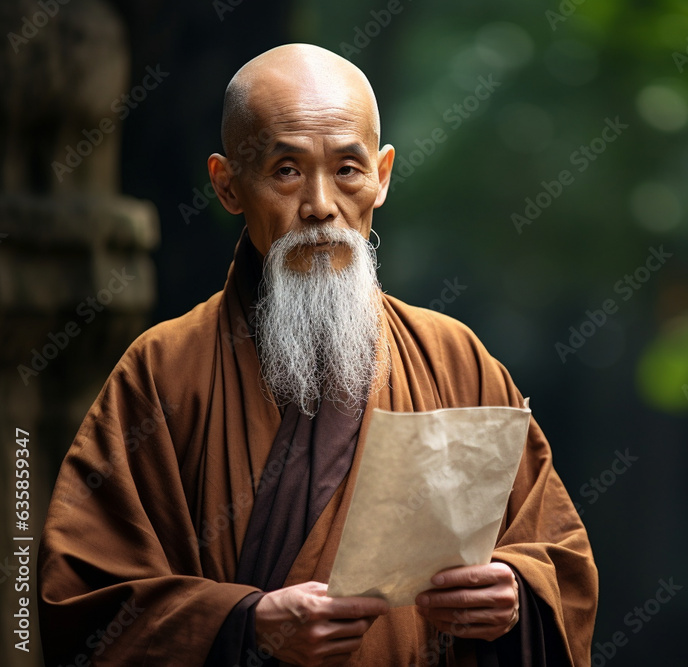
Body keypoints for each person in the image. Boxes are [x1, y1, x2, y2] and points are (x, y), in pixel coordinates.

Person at [38, 43, 597, 666]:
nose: (321, 206)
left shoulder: (455, 359)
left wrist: (513, 594)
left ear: (382, 177)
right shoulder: (164, 370)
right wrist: (243, 626)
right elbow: (83, 601)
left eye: (348, 170)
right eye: (286, 170)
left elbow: (559, 561)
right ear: (227, 185)